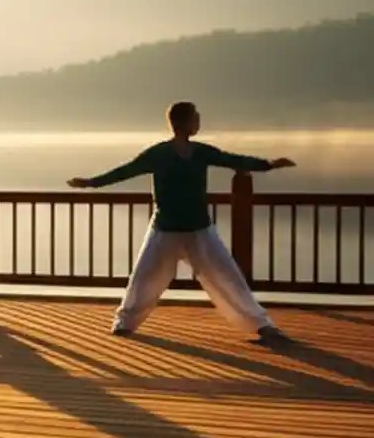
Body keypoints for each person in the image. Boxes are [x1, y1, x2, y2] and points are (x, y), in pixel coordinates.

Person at [68, 101, 295, 340]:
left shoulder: (201, 152)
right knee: (145, 278)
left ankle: (262, 326)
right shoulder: (159, 154)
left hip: (199, 228)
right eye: (195, 118)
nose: (198, 122)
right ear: (182, 122)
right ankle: (124, 323)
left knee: (227, 277)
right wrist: (91, 183)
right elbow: (126, 171)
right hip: (165, 228)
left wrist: (267, 165)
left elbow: (232, 160)